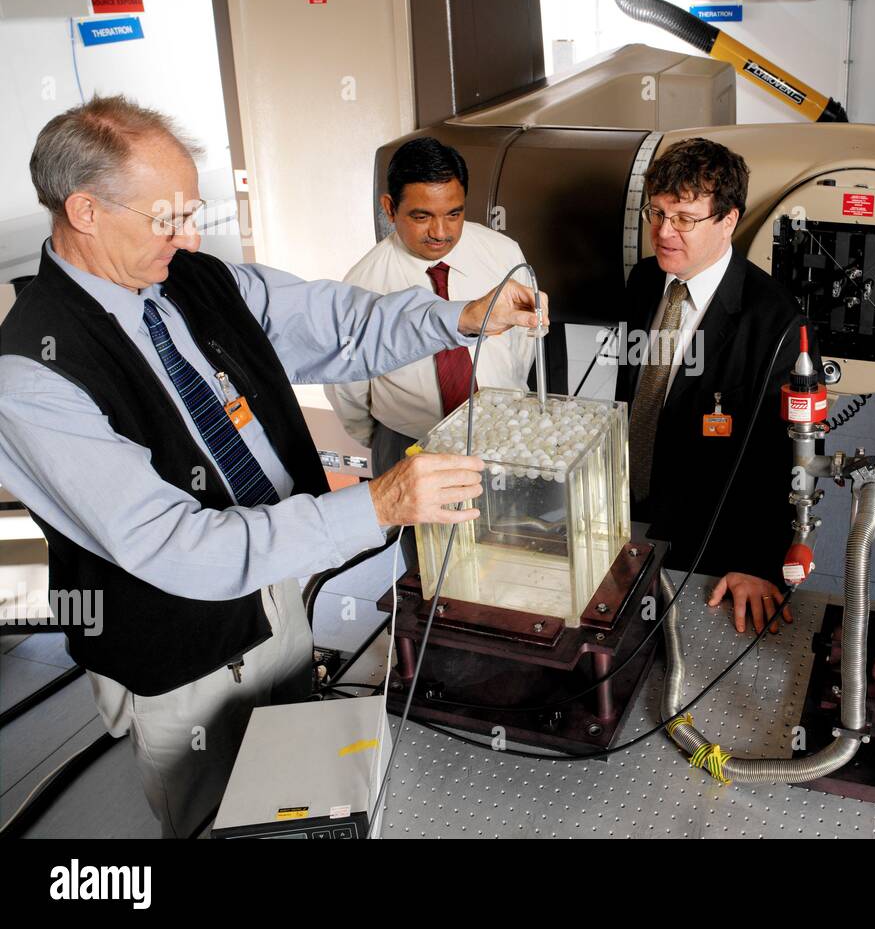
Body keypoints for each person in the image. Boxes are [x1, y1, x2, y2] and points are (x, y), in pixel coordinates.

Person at [0, 96, 544, 837]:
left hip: (277, 601)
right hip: (186, 658)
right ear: (86, 211)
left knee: (301, 802)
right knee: (222, 821)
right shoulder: (37, 374)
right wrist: (376, 504)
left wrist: (459, 316)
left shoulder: (192, 278)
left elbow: (340, 324)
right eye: (168, 218)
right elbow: (176, 545)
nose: (189, 235)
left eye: (193, 212)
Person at [615, 137, 810, 636]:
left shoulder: (774, 321)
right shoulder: (643, 282)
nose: (662, 232)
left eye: (684, 218)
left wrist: (757, 562)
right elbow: (637, 392)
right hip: (631, 515)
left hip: (715, 542)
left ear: (728, 220)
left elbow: (787, 456)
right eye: (656, 213)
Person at [325, 137, 534, 574]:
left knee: (515, 555)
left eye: (453, 213)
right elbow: (346, 386)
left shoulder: (503, 254)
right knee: (432, 571)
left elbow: (522, 347)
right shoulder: (362, 285)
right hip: (412, 446)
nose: (441, 232)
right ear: (390, 207)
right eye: (422, 216)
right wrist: (388, 440)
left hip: (501, 437)